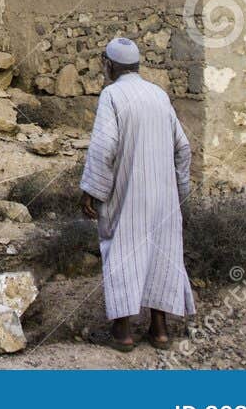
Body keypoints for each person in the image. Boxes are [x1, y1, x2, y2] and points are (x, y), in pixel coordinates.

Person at [79, 36, 195, 351]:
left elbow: (104, 146)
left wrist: (91, 189)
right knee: (163, 254)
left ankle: (123, 334)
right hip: (164, 195)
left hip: (130, 192)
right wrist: (180, 189)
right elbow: (183, 147)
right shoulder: (158, 95)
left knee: (122, 252)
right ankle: (159, 332)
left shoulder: (112, 94)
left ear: (110, 66)